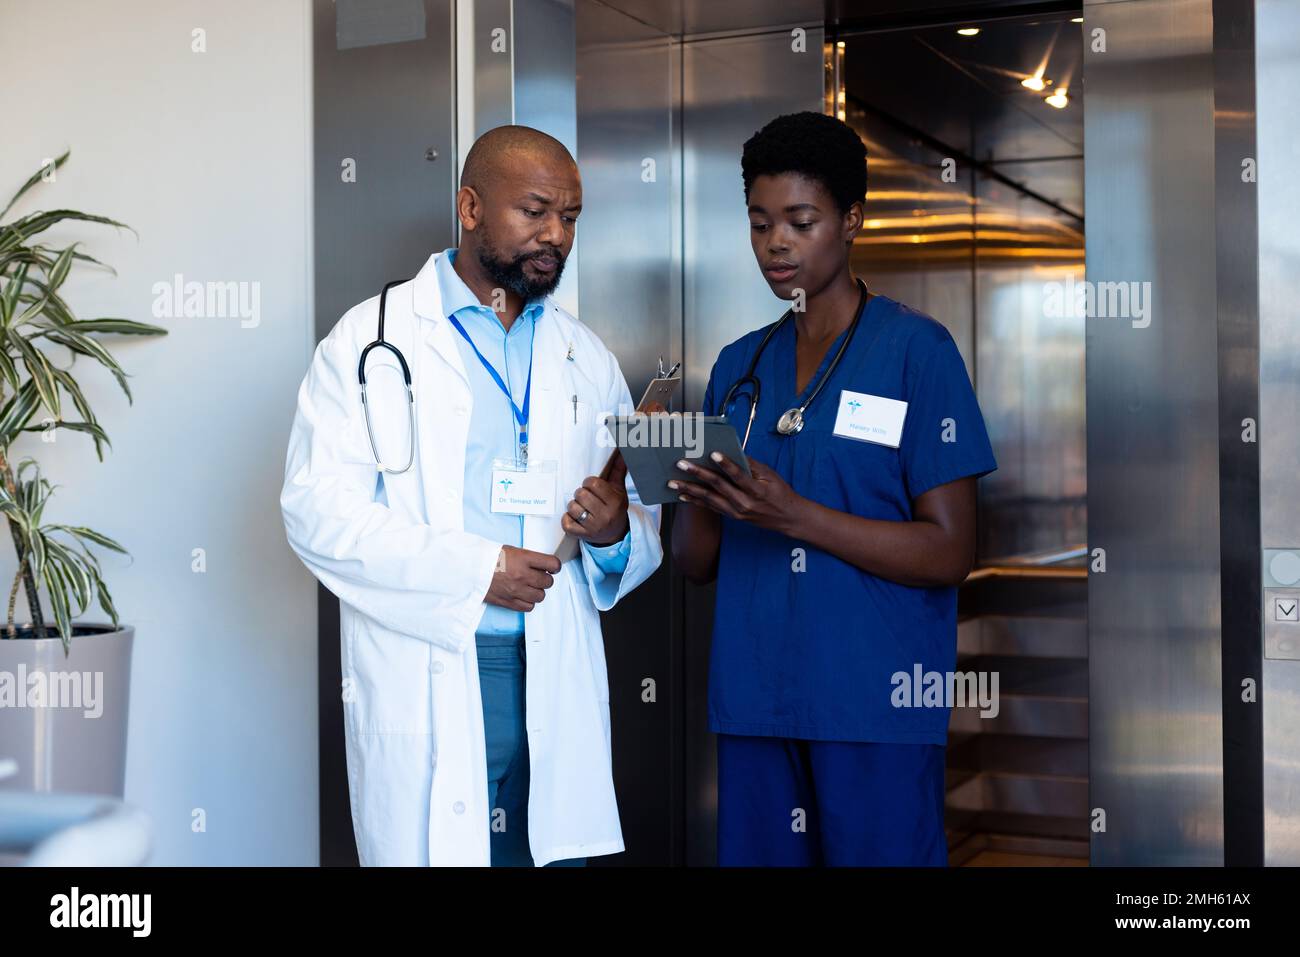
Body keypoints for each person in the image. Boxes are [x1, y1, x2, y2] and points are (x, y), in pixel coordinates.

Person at [281, 125, 662, 866]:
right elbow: (316, 512)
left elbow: (641, 515)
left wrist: (617, 534)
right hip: (438, 661)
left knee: (553, 855)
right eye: (536, 211)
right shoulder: (369, 342)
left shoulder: (585, 355)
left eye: (572, 216)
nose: (556, 234)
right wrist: (476, 568)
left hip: (558, 669)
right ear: (470, 206)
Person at [670, 111, 997, 866]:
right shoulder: (738, 367)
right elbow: (695, 561)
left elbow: (951, 551)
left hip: (874, 701)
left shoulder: (917, 351)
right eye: (759, 224)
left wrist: (796, 515)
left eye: (800, 221)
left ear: (852, 220)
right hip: (755, 700)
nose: (775, 244)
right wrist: (688, 482)